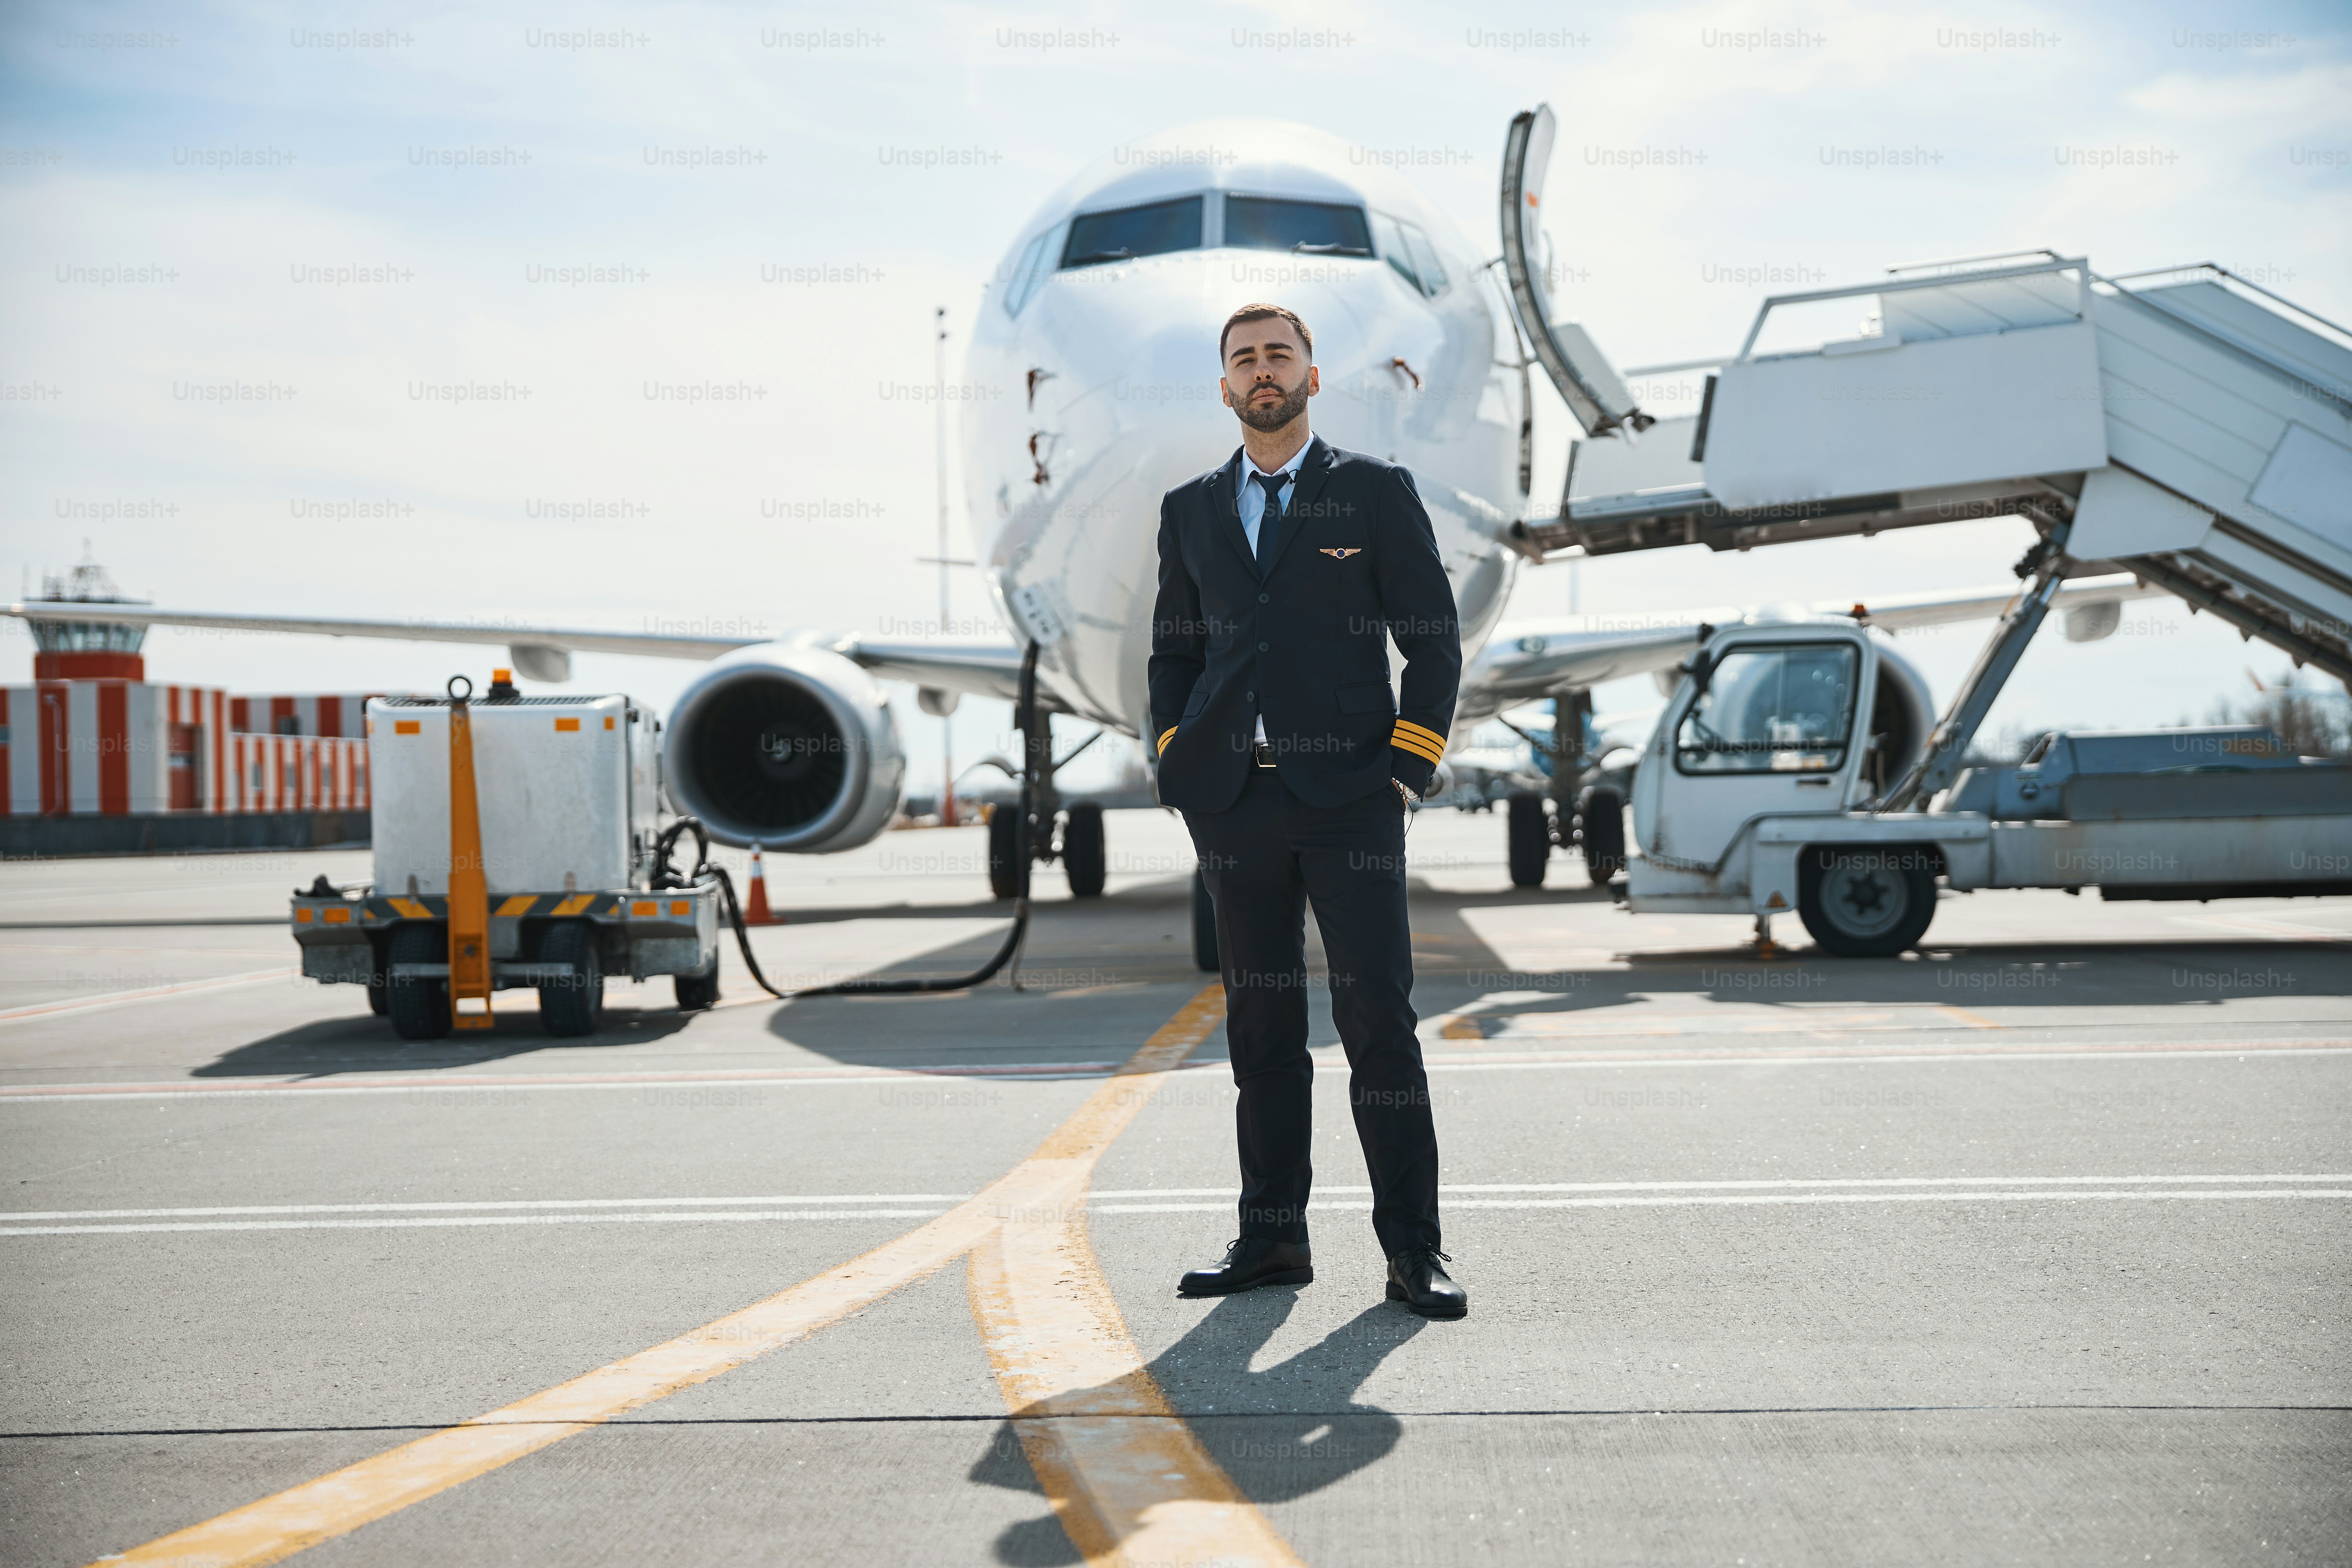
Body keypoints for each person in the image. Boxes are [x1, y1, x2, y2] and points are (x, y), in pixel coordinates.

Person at [1148, 302, 1466, 1318]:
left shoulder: (1372, 493)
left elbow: (1433, 640)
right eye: (1243, 358)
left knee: (1380, 1022)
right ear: (1227, 387)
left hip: (1350, 803)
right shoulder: (1190, 509)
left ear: (1313, 378)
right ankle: (1272, 1237)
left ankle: (1415, 1250)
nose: (1262, 370)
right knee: (1262, 1030)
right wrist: (1175, 758)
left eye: (1279, 354)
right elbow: (1173, 653)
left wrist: (1408, 769)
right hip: (1237, 806)